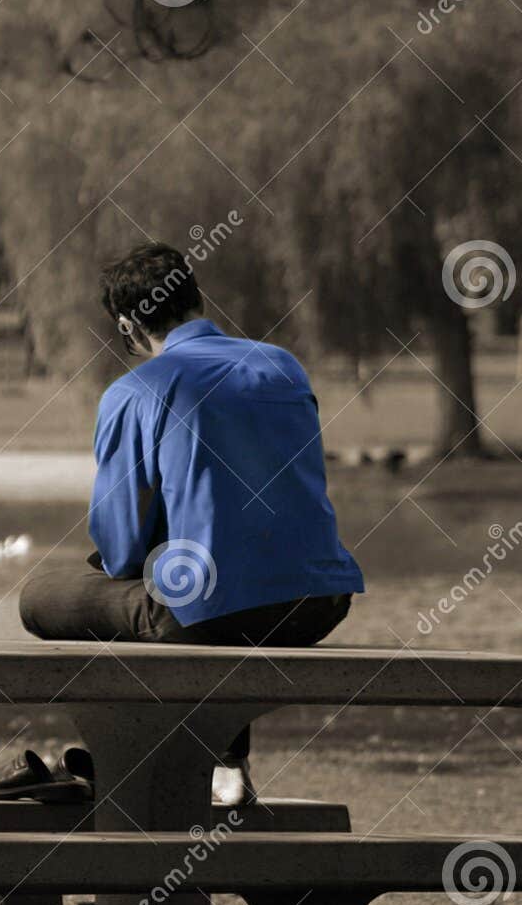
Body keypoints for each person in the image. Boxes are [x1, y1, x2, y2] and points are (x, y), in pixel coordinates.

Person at [18, 242, 364, 804]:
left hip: (216, 612)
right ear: (196, 300)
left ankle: (147, 757)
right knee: (201, 575)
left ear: (129, 327)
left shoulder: (136, 391)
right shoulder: (282, 365)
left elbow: (121, 547)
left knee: (42, 595)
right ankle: (218, 761)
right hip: (317, 601)